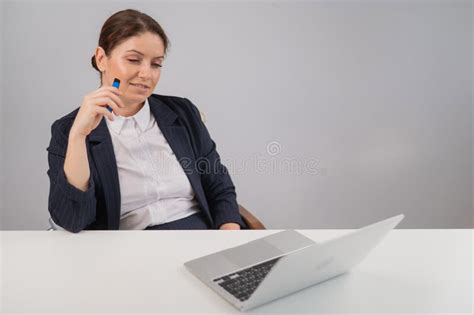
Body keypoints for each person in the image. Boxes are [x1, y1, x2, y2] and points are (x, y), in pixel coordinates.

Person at [46, 9, 246, 233]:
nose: (146, 74)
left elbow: (218, 186)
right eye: (133, 60)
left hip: (200, 236)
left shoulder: (182, 112)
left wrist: (228, 240)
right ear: (102, 59)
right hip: (131, 249)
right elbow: (73, 219)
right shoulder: (69, 130)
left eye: (156, 64)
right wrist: (78, 137)